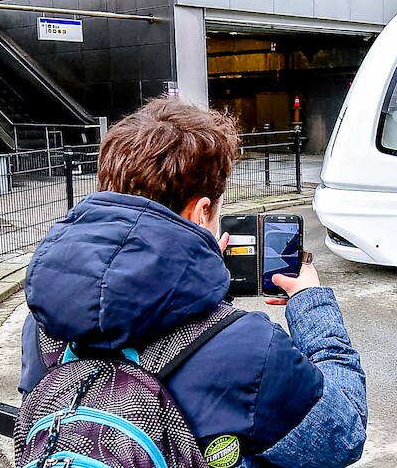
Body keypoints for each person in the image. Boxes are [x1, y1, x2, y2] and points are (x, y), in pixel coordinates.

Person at [19, 98, 367, 468]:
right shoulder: (250, 349)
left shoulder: (44, 322)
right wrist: (313, 305)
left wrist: (194, 273)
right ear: (202, 213)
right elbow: (340, 433)